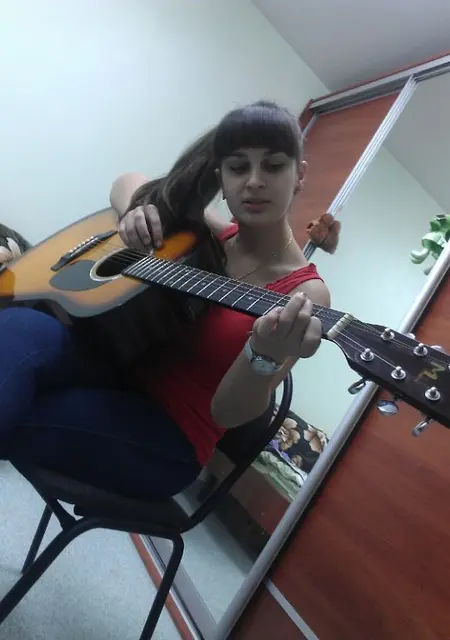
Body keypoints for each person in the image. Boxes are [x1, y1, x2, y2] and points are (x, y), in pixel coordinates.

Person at [0, 101, 330, 500]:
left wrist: (264, 355)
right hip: (120, 372)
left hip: (170, 436)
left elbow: (228, 414)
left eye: (274, 166)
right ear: (221, 179)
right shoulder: (213, 236)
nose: (255, 181)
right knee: (18, 327)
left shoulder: (305, 293)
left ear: (299, 175)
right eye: (238, 167)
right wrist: (136, 210)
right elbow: (127, 181)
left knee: (19, 410)